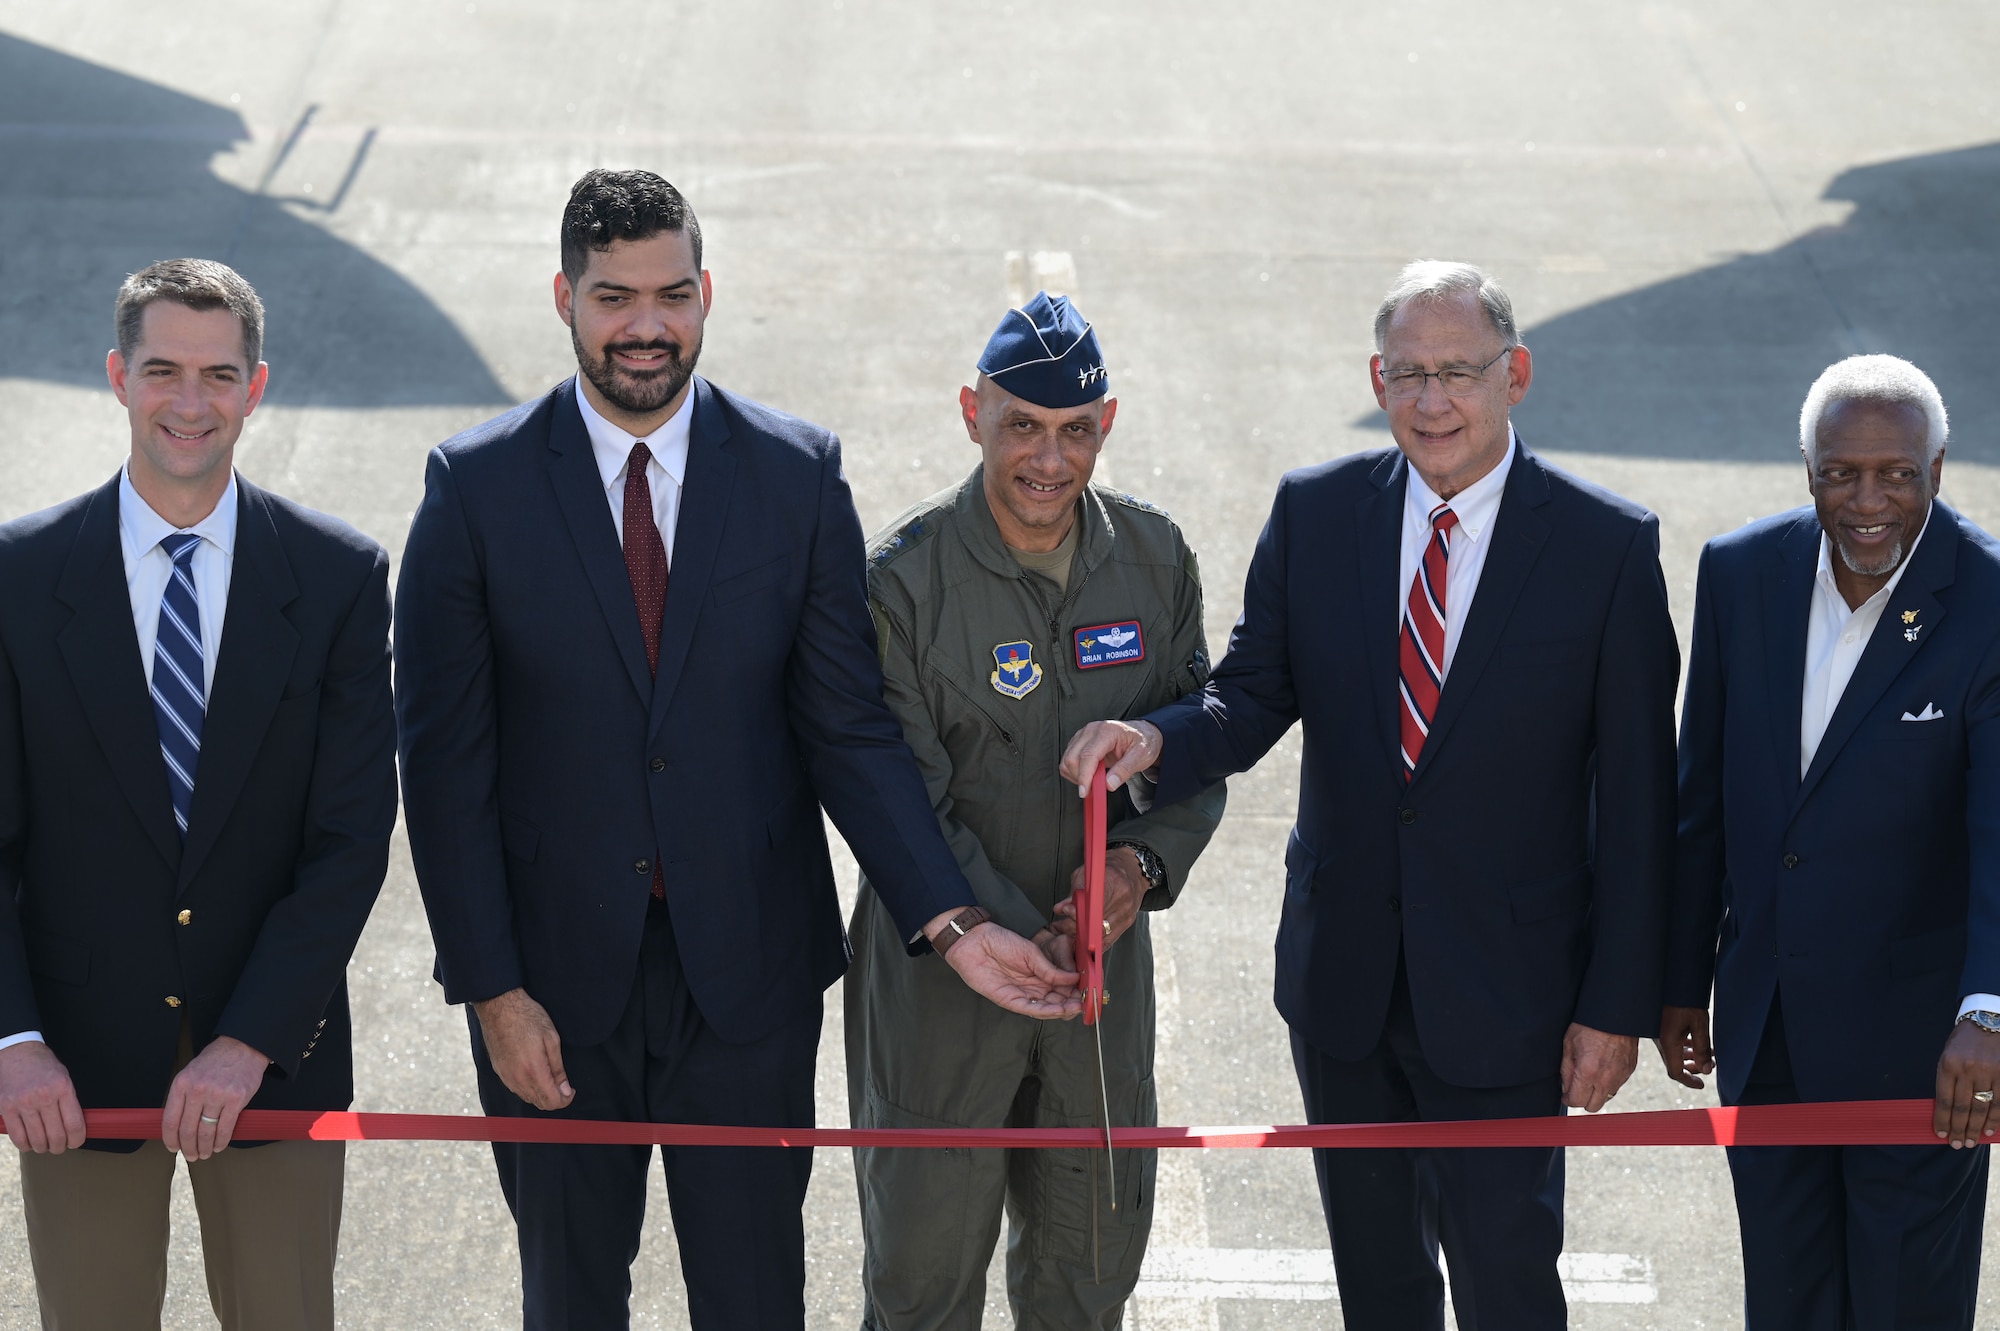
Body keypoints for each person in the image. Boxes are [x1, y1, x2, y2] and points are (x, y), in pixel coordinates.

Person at [393, 169, 1080, 1331]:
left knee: (757, 1295)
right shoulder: (475, 487)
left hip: (748, 982)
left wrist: (950, 921)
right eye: (613, 297)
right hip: (554, 987)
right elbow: (441, 761)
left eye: (669, 293)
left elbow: (848, 727)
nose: (645, 326)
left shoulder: (795, 475)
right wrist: (492, 988)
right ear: (563, 297)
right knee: (567, 1297)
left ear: (706, 293)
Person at [1061, 260, 1680, 1330]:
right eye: (1406, 373)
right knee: (1379, 1287)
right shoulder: (1316, 513)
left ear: (1514, 375)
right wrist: (1148, 738)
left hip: (1510, 997)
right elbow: (1250, 696)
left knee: (1505, 1282)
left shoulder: (1604, 548)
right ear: (1375, 379)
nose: (1431, 399)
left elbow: (1636, 803)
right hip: (1344, 984)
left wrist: (1612, 1006)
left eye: (1457, 372)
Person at [0, 258, 397, 1331]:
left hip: (273, 1059)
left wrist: (251, 1038)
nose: (190, 402)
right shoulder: (19, 576)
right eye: (163, 370)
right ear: (117, 377)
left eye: (218, 374)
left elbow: (351, 837)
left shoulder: (338, 576)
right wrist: (13, 1040)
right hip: (73, 1074)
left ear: (256, 387)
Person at [847, 293, 1226, 1330]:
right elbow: (901, 799)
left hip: (1095, 982)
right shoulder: (901, 583)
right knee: (920, 1289)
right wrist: (1004, 926)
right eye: (1021, 424)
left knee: (1085, 1278)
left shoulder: (1155, 562)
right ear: (972, 412)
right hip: (942, 986)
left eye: (1074, 431)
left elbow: (1193, 747)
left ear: (1107, 423)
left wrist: (1133, 877)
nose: (1047, 459)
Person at [1661, 354, 2000, 1330]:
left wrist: (1986, 1010)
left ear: (1937, 469)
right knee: (1785, 1303)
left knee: (1902, 1309)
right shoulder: (1737, 572)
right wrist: (1682, 976)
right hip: (1765, 1031)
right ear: (1804, 469)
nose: (1866, 499)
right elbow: (1702, 794)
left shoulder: (1985, 603)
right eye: (1839, 472)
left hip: (1926, 1056)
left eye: (1894, 472)